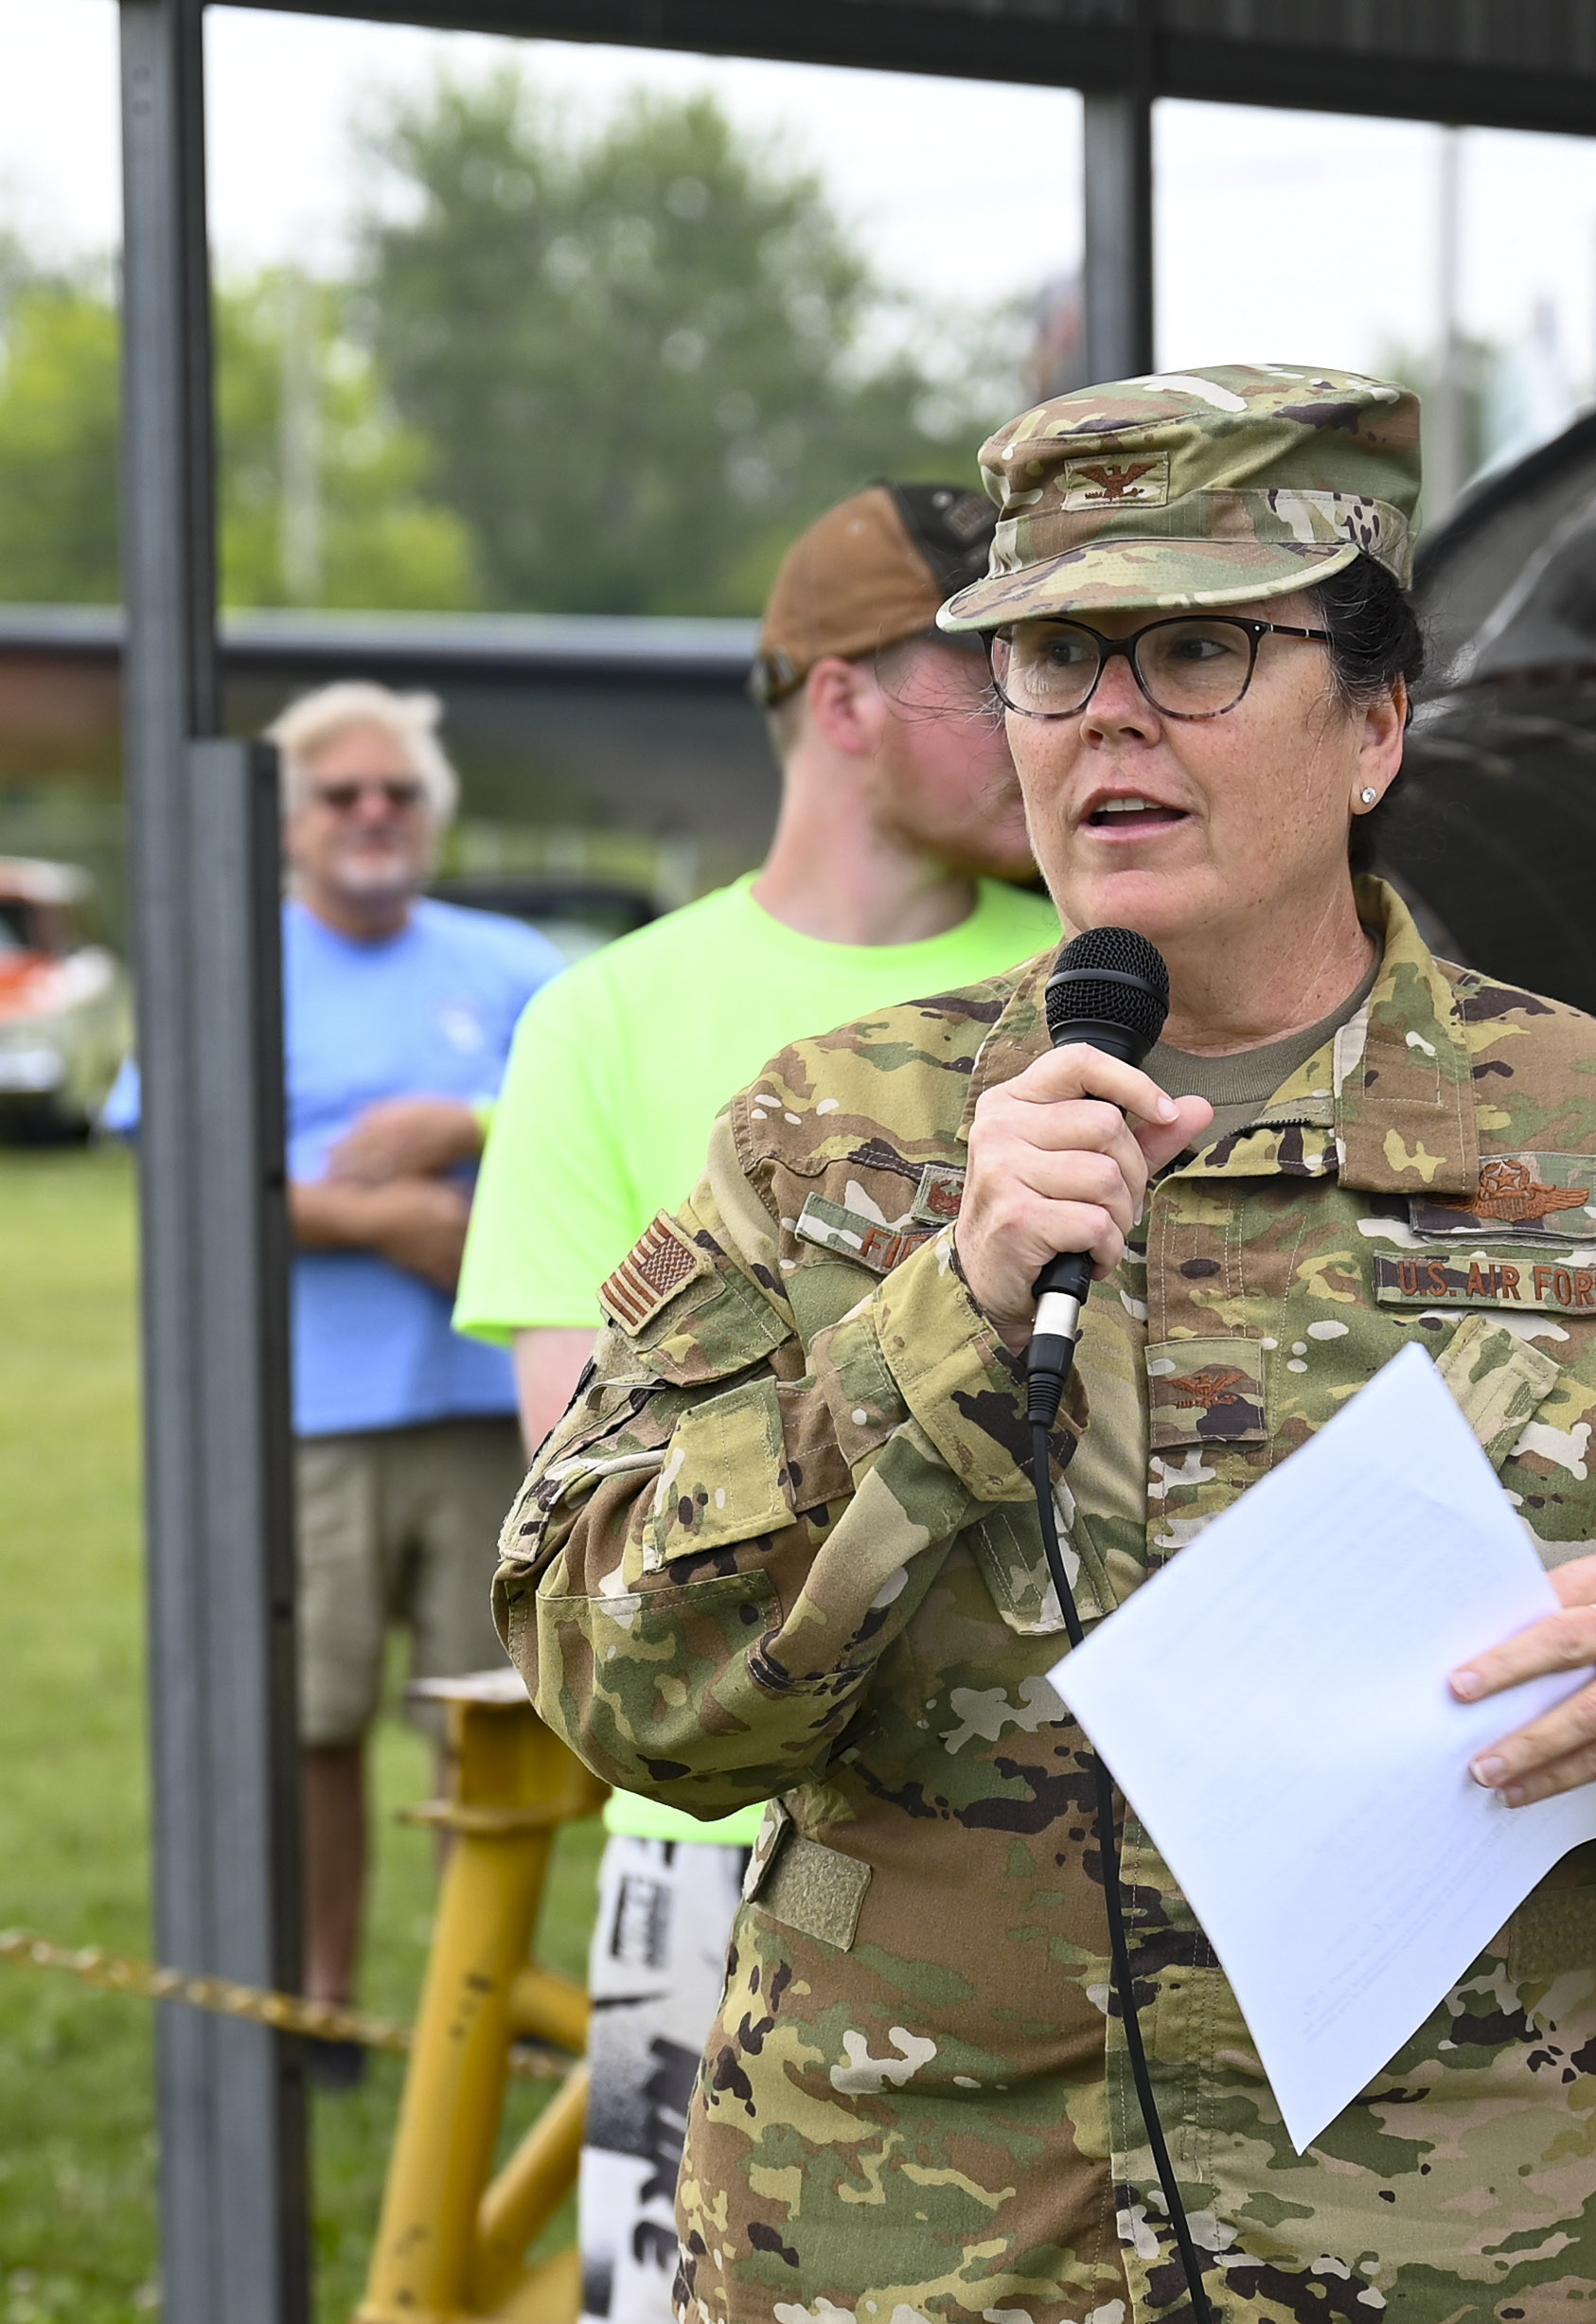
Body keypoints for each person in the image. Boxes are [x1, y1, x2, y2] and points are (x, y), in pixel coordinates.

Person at [494, 368, 1596, 2323]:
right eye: (1048, 658)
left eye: (1197, 648)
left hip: (1452, 2264)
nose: (1108, 714)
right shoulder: (831, 1142)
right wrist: (931, 1334)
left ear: (1377, 723)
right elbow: (620, 1683)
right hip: (909, 2262)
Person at [453, 481, 1056, 2322]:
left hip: (1032, 1847)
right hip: (708, 1849)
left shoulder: (1110, 985)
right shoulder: (608, 1019)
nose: (1049, 718)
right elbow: (596, 1478)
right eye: (993, 670)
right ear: (844, 698)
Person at [113, 681, 564, 2078]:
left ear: (434, 815)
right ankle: (320, 2006)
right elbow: (171, 1159)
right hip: (306, 1420)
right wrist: (374, 1218)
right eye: (342, 795)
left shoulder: (512, 964)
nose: (375, 816)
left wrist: (464, 1173)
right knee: (311, 1725)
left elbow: (580, 1144)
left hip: (491, 1420)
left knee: (491, 1723)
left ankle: (476, 2004)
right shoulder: (228, 960)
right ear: (290, 826)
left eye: (400, 793)